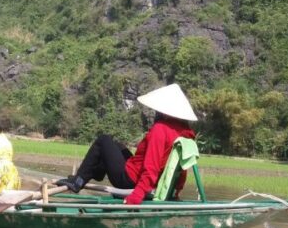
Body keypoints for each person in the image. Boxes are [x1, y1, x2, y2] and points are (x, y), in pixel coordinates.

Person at [57, 84, 197, 204]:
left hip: (128, 180)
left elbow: (151, 167)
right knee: (118, 146)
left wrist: (136, 196)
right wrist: (176, 191)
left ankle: (78, 181)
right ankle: (96, 172)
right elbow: (182, 167)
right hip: (142, 175)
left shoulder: (160, 129)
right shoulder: (186, 134)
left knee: (103, 140)